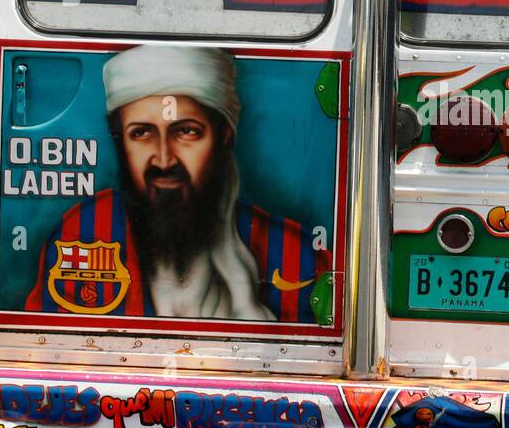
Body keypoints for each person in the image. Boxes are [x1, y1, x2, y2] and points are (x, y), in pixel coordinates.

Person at [26, 44, 326, 322]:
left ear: (224, 135)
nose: (164, 159)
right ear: (120, 141)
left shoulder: (291, 253)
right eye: (141, 133)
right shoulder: (85, 232)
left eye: (186, 131)